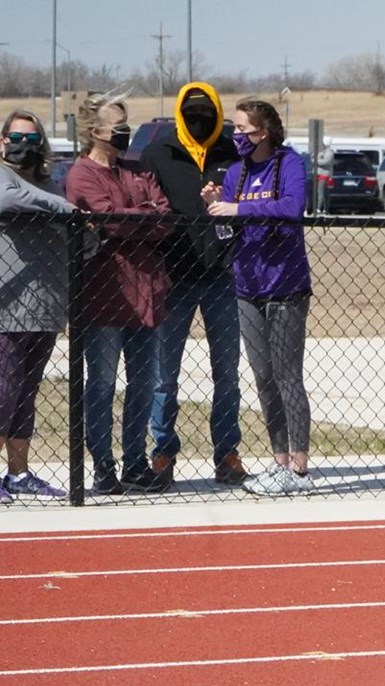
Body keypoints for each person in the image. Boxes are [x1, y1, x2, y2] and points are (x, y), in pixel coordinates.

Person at [203, 98, 317, 496]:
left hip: (285, 285)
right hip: (246, 287)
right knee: (264, 379)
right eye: (234, 130)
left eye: (243, 130)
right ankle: (279, 462)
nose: (237, 137)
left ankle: (299, 469)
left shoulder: (288, 164)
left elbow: (292, 206)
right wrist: (217, 209)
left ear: (264, 132)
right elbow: (227, 233)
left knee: (288, 377)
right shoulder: (235, 173)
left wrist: (238, 209)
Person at [143, 80, 249, 491]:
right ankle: (163, 452)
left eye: (208, 112)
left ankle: (227, 453)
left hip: (224, 279)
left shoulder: (231, 154)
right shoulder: (158, 153)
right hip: (175, 279)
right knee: (163, 376)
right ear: (180, 113)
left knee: (227, 374)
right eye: (193, 112)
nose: (201, 118)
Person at [65, 92, 172, 497]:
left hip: (148, 290)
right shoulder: (81, 174)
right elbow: (107, 219)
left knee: (144, 383)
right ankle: (102, 466)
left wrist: (129, 219)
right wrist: (134, 218)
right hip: (104, 292)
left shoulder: (136, 167)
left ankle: (135, 463)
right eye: (119, 128)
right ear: (96, 132)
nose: (126, 134)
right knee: (103, 384)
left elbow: (163, 218)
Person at [0, 109, 72, 503]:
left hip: (45, 306)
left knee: (26, 393)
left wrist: (63, 209)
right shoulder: (4, 177)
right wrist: (63, 208)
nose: (22, 146)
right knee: (3, 391)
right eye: (15, 137)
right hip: (7, 308)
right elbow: (8, 198)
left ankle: (19, 473)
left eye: (31, 139)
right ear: (2, 140)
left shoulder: (48, 184)